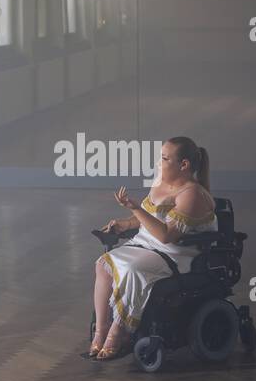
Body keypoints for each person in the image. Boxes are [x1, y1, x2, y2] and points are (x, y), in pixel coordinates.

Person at [88, 137, 216, 360]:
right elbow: (148, 219)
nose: (159, 163)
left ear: (183, 165)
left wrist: (136, 208)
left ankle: (119, 333)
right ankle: (101, 330)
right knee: (102, 264)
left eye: (165, 158)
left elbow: (166, 236)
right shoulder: (160, 184)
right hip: (146, 245)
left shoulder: (192, 194)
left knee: (132, 270)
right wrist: (124, 223)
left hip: (174, 254)